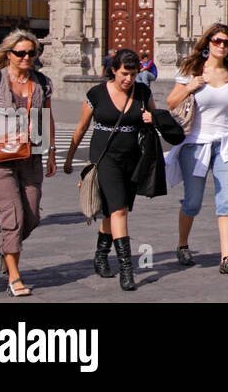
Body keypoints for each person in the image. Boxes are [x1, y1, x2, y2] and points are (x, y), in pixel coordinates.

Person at [0, 30, 56, 297]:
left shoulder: (42, 82)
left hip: (31, 157)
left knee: (31, 217)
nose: (26, 57)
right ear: (8, 54)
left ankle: (5, 248)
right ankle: (14, 275)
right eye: (20, 53)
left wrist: (51, 152)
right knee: (13, 217)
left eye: (31, 53)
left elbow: (47, 118)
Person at [64, 48, 155, 291]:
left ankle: (101, 255)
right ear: (113, 70)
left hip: (132, 159)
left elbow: (154, 118)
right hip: (104, 159)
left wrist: (151, 119)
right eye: (124, 73)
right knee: (119, 210)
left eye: (133, 74)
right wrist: (69, 159)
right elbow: (82, 127)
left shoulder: (143, 92)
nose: (128, 79)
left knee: (111, 211)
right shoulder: (96, 94)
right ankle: (126, 269)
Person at [165, 23, 228, 274]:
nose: (221, 45)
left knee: (227, 201)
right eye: (217, 41)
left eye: (226, 42)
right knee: (193, 201)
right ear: (207, 43)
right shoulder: (191, 70)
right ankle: (183, 244)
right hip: (196, 145)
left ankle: (226, 257)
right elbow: (170, 103)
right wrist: (191, 86)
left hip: (227, 144)